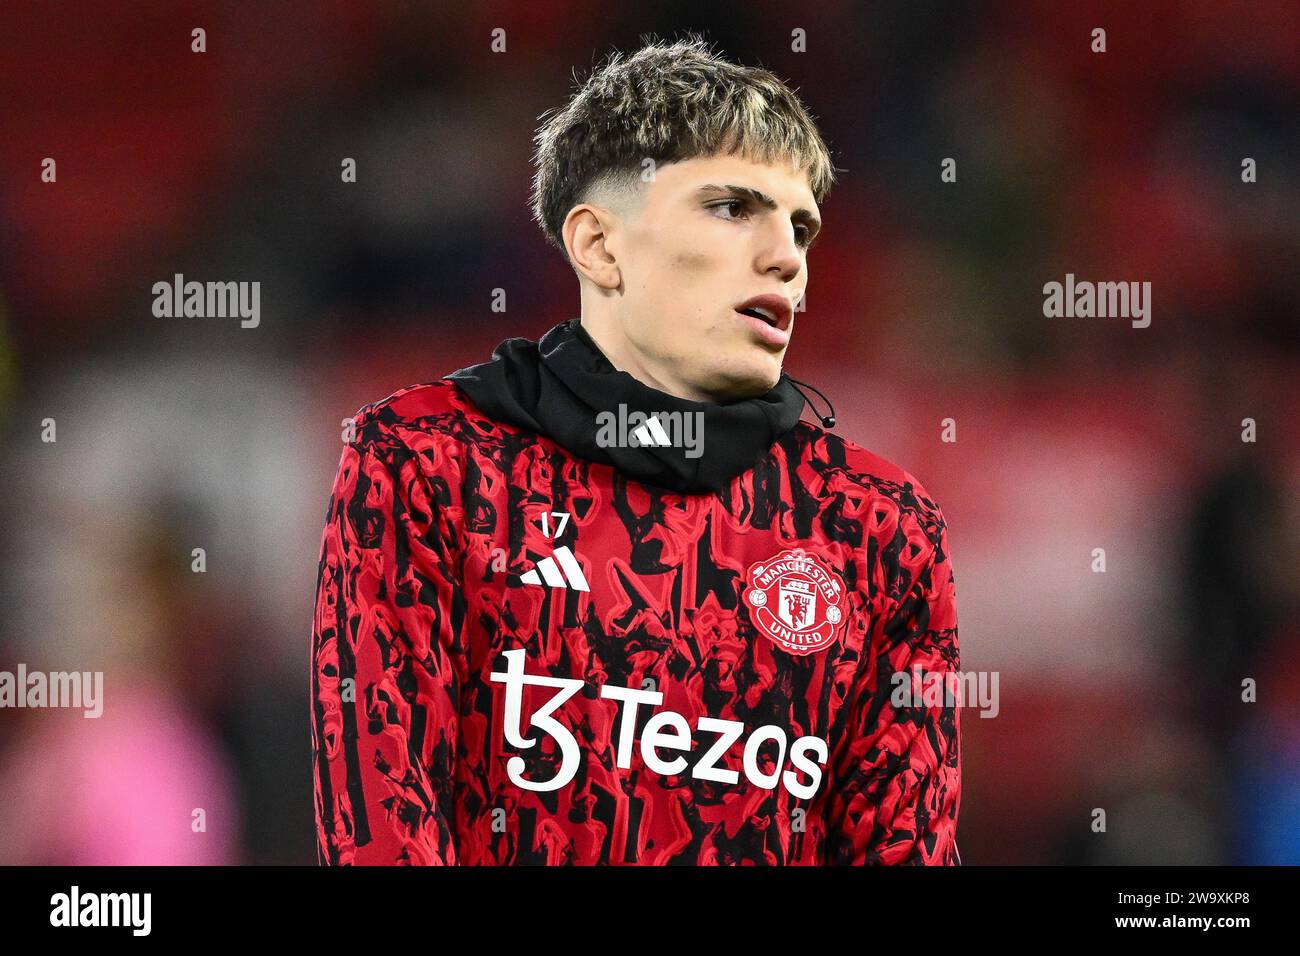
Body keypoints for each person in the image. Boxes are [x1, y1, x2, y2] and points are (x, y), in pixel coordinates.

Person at [311, 34, 961, 865]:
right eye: (732, 208)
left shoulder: (879, 529)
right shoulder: (427, 462)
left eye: (802, 225)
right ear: (599, 246)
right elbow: (383, 832)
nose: (787, 257)